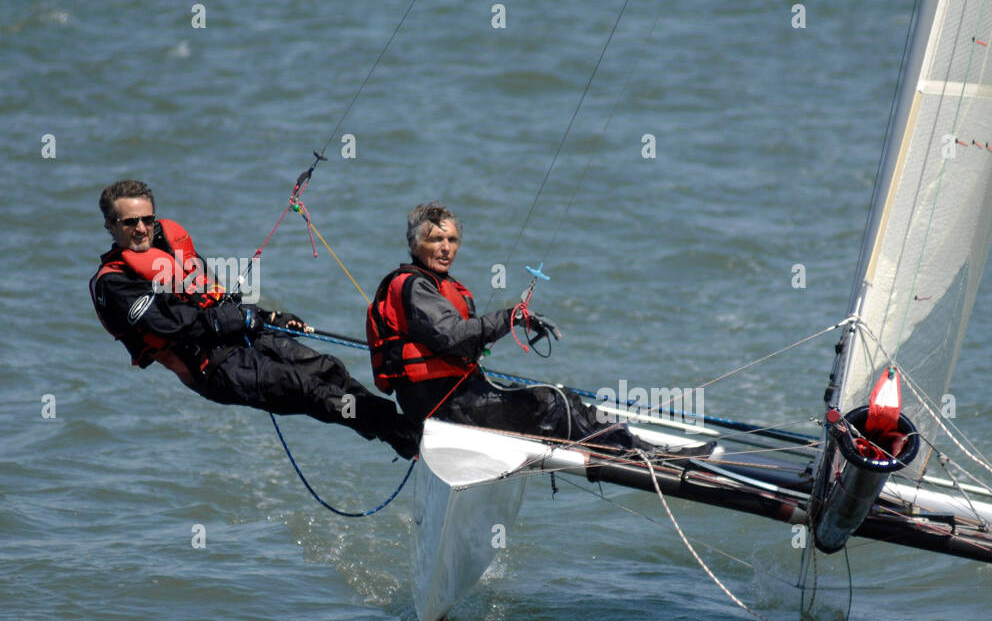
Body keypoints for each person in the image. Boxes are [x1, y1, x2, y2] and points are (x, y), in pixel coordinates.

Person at [90, 179, 420, 459]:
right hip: (214, 367)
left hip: (243, 335)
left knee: (326, 368)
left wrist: (267, 316)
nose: (141, 228)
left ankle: (400, 429)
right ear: (110, 225)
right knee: (308, 390)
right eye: (129, 222)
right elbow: (166, 327)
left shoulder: (166, 241)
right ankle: (402, 432)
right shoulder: (114, 282)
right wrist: (224, 323)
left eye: (147, 219)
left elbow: (213, 294)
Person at [367, 202, 713, 456]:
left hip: (455, 394)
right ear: (415, 245)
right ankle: (635, 454)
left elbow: (458, 342)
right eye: (435, 240)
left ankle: (634, 445)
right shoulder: (415, 286)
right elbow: (450, 335)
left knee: (565, 398)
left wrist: (511, 320)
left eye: (452, 240)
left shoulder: (438, 284)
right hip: (439, 405)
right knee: (551, 404)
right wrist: (510, 318)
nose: (446, 248)